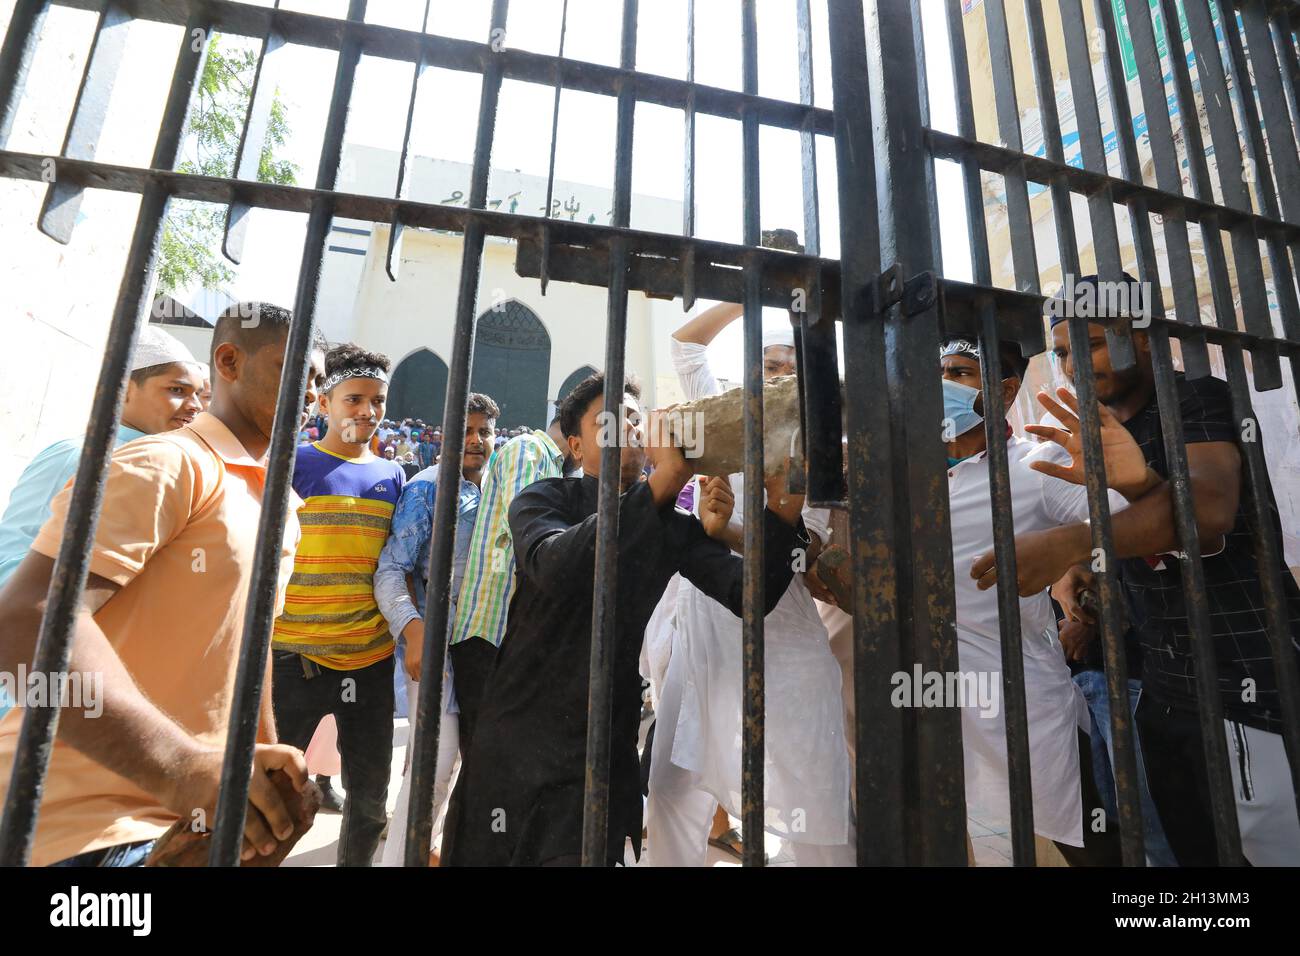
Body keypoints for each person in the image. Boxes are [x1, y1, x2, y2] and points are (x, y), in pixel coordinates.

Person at [977, 274, 1300, 865]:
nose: (1073, 365)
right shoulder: (1094, 432)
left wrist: (1067, 544)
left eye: (1092, 343)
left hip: (1244, 683)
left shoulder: (1194, 399)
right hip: (1162, 687)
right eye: (1063, 352)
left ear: (1142, 337)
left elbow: (1205, 511)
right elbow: (1150, 529)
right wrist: (1083, 564)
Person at [0, 302, 324, 867]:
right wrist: (179, 768)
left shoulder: (278, 507)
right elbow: (29, 623)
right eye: (294, 370)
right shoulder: (166, 464)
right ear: (228, 360)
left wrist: (267, 775)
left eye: (319, 380)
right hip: (75, 828)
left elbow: (249, 648)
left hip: (184, 827)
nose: (312, 394)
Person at [442, 373, 810, 867]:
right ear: (575, 445)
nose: (630, 428)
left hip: (598, 749)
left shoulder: (669, 527)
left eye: (637, 418)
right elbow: (558, 566)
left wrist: (783, 510)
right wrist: (664, 482)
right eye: (610, 420)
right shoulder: (542, 499)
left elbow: (751, 596)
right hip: (516, 734)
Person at [645, 302, 852, 867]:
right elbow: (686, 344)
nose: (776, 373)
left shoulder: (820, 445)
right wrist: (752, 290)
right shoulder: (727, 419)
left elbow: (803, 552)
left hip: (780, 634)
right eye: (767, 363)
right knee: (671, 790)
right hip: (705, 631)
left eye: (789, 366)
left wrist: (727, 528)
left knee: (813, 802)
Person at [938, 336, 1126, 866]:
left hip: (1019, 695)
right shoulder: (910, 479)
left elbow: (1128, 523)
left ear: (1002, 390)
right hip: (932, 691)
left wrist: (1077, 581)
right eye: (938, 373)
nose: (943, 384)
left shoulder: (1036, 466)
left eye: (959, 373)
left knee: (1081, 834)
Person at [269, 344, 406, 867]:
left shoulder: (392, 478)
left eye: (378, 401)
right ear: (324, 404)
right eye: (354, 399)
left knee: (370, 800)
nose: (367, 411)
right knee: (272, 791)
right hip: (292, 657)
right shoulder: (294, 464)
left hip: (367, 660)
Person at [375, 392, 499, 867]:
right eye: (464, 431)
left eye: (483, 431)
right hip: (434, 648)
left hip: (478, 650)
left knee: (453, 763)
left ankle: (421, 845)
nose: (474, 440)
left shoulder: (495, 492)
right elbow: (392, 567)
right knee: (436, 760)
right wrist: (413, 630)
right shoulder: (429, 489)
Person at [0, 327, 207, 591]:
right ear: (124, 390)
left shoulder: (172, 463)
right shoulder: (77, 455)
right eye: (178, 389)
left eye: (198, 394)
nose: (195, 405)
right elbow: (11, 563)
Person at [446, 416, 570, 752]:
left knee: (490, 761)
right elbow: (529, 533)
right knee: (487, 760)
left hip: (503, 635)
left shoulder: (552, 464)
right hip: (489, 632)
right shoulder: (530, 449)